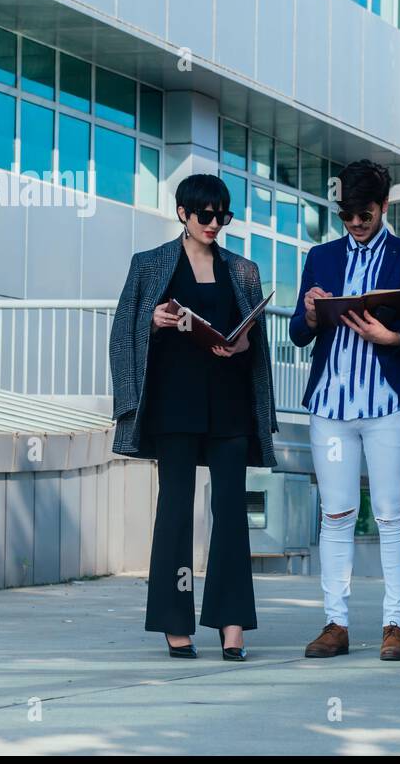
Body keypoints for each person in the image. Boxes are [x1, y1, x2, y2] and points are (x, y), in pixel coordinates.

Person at [108, 173, 279, 661]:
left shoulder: (243, 270)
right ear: (183, 213)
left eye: (221, 216)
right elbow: (123, 333)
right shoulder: (149, 265)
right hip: (172, 403)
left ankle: (231, 624)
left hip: (229, 403)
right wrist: (154, 322)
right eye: (204, 215)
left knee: (231, 514)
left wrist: (243, 341)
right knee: (175, 511)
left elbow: (255, 342)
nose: (213, 224)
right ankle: (174, 621)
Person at [289, 160, 400, 661]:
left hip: (387, 404)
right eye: (348, 215)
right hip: (330, 405)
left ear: (385, 206)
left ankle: (394, 625)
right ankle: (336, 623)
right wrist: (310, 313)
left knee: (393, 516)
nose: (356, 223)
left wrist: (392, 336)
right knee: (335, 515)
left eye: (366, 214)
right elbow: (297, 334)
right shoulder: (321, 257)